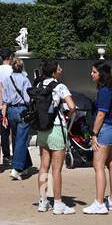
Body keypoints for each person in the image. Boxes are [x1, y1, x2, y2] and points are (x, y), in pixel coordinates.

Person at [31, 60, 77, 214]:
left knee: (44, 166)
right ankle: (58, 203)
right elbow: (72, 106)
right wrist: (68, 116)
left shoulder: (38, 85)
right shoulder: (60, 86)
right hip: (57, 127)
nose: (61, 69)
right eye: (59, 68)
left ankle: (43, 202)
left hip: (42, 128)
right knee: (57, 169)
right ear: (54, 71)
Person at [86, 61, 112, 213]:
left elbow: (101, 114)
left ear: (101, 74)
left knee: (98, 166)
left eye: (94, 72)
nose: (91, 74)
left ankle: (100, 203)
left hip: (105, 129)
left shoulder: (104, 91)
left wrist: (93, 134)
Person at [3, 55, 31, 179]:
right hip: (22, 109)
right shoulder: (25, 80)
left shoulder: (7, 79)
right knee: (21, 139)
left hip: (11, 110)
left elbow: (5, 98)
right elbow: (27, 98)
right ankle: (16, 168)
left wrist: (4, 114)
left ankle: (25, 165)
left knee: (16, 138)